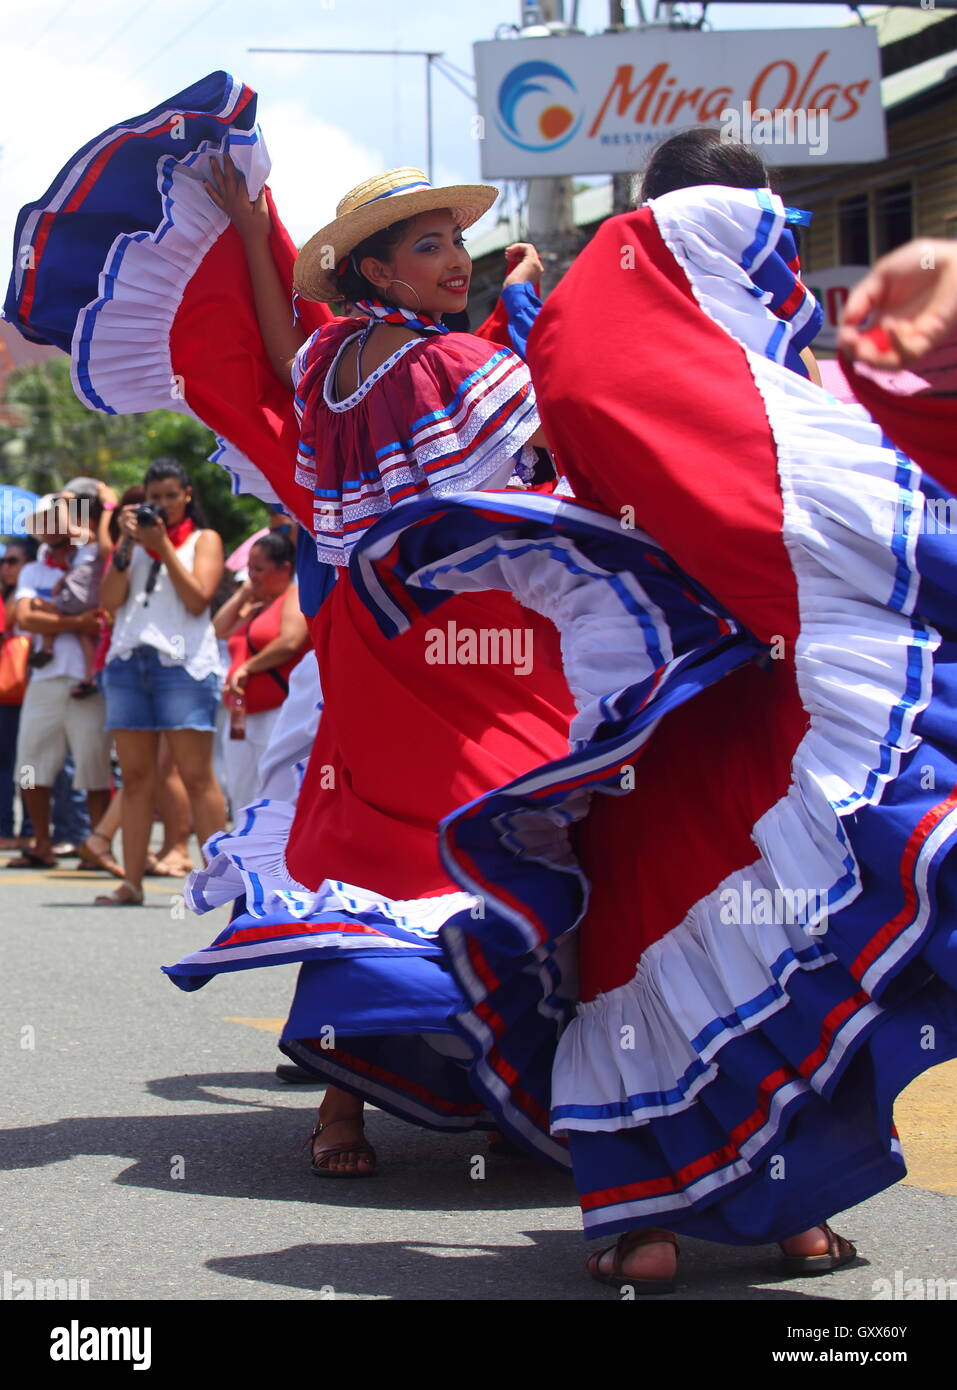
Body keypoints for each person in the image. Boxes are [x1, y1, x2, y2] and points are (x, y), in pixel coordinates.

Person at [97, 458, 226, 906]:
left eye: (172, 496)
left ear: (187, 495)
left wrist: (164, 547)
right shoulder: (129, 545)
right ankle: (131, 883)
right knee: (134, 778)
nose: (163, 505)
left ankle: (223, 882)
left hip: (184, 666)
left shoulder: (204, 539)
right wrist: (127, 547)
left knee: (195, 775)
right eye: (155, 498)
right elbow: (109, 602)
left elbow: (197, 599)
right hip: (129, 661)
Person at [7, 495, 111, 868]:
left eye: (57, 519)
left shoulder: (92, 558)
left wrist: (56, 618)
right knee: (31, 765)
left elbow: (91, 606)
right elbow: (26, 619)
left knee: (94, 765)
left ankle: (98, 848)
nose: (51, 528)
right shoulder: (34, 570)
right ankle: (41, 844)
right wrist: (76, 623)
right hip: (46, 679)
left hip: (87, 682)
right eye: (45, 521)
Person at [212, 530, 308, 814]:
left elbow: (290, 641)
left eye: (259, 569)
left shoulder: (294, 595)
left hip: (277, 712)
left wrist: (248, 667)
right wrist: (245, 591)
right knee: (242, 793)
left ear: (285, 569)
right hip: (242, 714)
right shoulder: (254, 606)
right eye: (249, 568)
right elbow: (219, 628)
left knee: (276, 794)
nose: (252, 575)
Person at [27, 478, 114, 697]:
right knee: (85, 637)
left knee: (42, 606)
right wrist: (62, 579)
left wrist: (64, 500)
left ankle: (47, 646)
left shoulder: (90, 538)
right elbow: (77, 569)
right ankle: (90, 676)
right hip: (83, 598)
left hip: (79, 598)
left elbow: (68, 528)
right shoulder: (82, 547)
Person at [0, 536, 37, 850]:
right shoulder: (7, 597)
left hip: (32, 690)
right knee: (5, 763)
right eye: (4, 561)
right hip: (8, 694)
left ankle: (29, 828)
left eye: (13, 561)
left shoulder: (32, 590)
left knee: (29, 765)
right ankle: (5, 828)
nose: (5, 568)